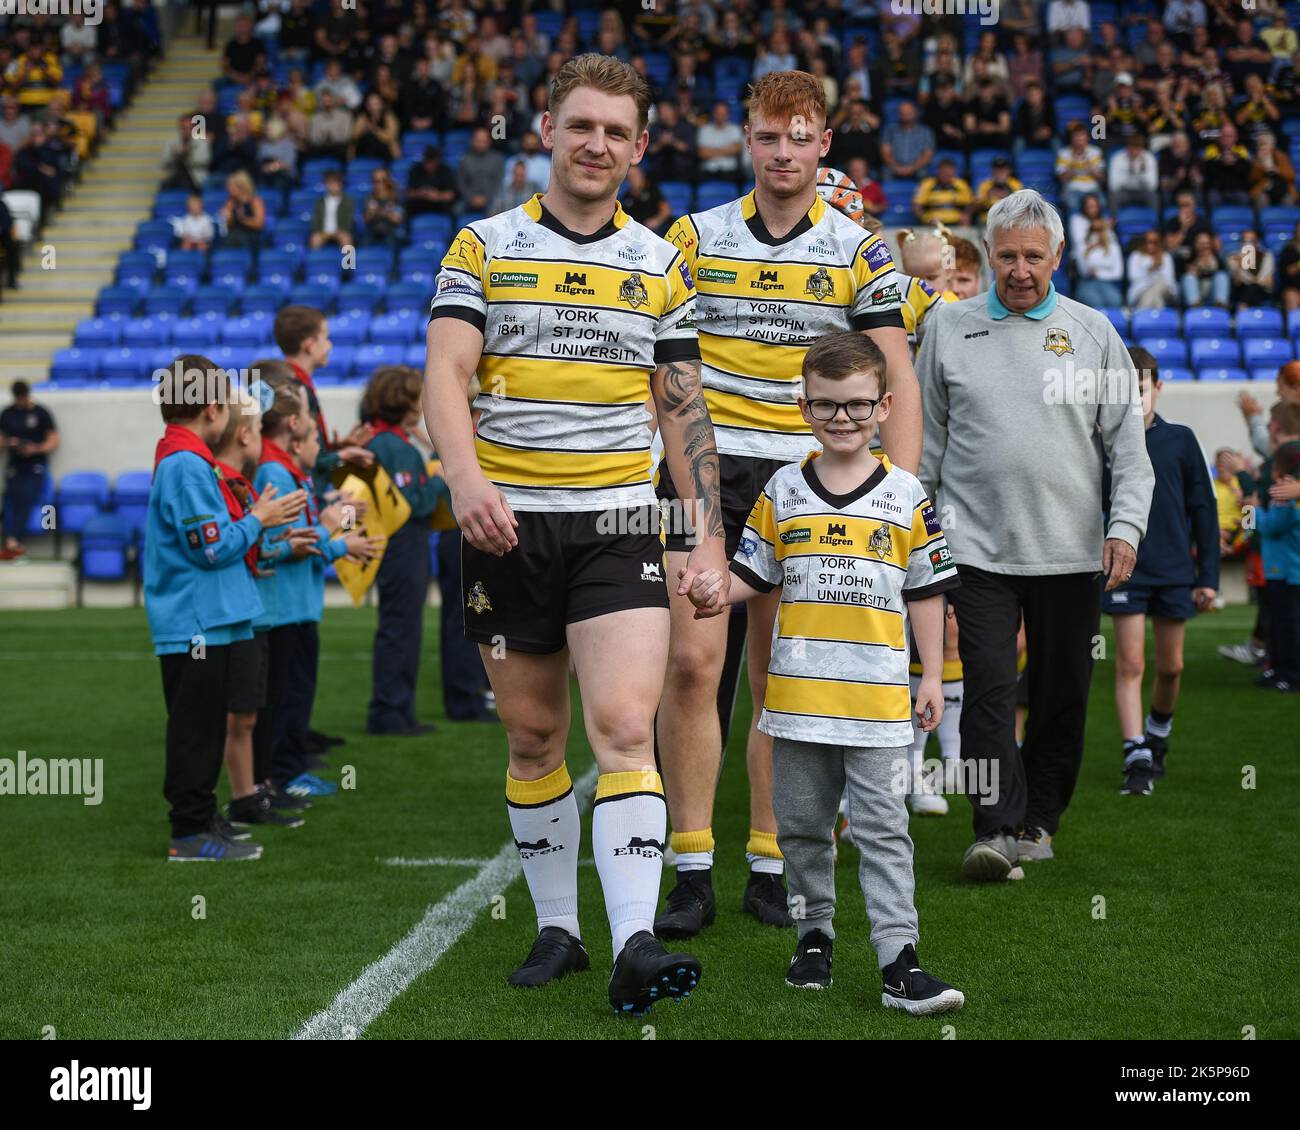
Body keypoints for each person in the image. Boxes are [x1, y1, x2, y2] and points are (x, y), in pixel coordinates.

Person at [424, 54, 720, 1014]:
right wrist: (465, 479)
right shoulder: (484, 244)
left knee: (626, 726)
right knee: (533, 733)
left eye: (617, 132)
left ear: (639, 147)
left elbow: (682, 410)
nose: (597, 144)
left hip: (618, 522)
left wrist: (705, 534)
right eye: (581, 125)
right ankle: (562, 928)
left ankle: (635, 936)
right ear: (545, 130)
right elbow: (445, 373)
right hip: (506, 524)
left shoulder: (659, 262)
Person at [652, 70, 921, 939]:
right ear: (747, 140)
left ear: (823, 145)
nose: (782, 153)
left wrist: (898, 501)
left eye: (799, 137)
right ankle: (690, 864)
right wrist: (688, 487)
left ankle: (770, 860)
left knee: (780, 679)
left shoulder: (859, 248)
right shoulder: (693, 236)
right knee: (694, 667)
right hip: (702, 471)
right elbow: (668, 375)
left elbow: (897, 378)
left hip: (811, 479)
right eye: (767, 138)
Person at [685, 331, 964, 1014]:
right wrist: (717, 589)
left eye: (859, 406)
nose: (843, 419)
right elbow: (755, 572)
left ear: (885, 406)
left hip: (876, 706)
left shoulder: (905, 493)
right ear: (803, 406)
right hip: (797, 700)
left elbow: (926, 588)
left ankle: (900, 961)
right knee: (803, 829)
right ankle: (814, 937)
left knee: (883, 832)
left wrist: (930, 676)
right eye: (828, 406)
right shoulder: (783, 489)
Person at [916, 189, 1155, 880]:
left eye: (1033, 257)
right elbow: (929, 444)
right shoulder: (950, 327)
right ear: (988, 254)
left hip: (1071, 551)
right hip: (975, 550)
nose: (1019, 270)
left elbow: (1128, 451)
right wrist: (922, 530)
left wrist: (1125, 528)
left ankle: (1039, 819)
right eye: (1007, 256)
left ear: (1058, 256)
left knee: (1061, 693)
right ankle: (993, 830)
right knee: (989, 686)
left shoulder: (1094, 331)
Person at [145, 355, 305, 860]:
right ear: (213, 410)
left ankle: (203, 816)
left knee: (209, 726)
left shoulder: (190, 460)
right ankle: (188, 832)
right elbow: (209, 548)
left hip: (212, 620)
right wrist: (259, 518)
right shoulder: (187, 465)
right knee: (195, 730)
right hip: (197, 622)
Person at [1103, 348, 1219, 795]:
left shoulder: (1182, 440)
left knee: (1171, 668)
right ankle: (1135, 755)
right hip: (1123, 571)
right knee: (1131, 662)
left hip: (1174, 570)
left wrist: (1207, 576)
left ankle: (1157, 736)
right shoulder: (1102, 440)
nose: (1134, 399)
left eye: (1141, 389)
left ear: (1158, 388)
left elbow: (1204, 511)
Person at [254, 386, 380, 798]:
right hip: (284, 607)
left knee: (295, 694)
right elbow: (294, 544)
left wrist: (343, 519)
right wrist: (344, 541)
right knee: (285, 699)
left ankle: (287, 771)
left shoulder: (290, 472)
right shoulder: (275, 472)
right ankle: (282, 775)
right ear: (294, 429)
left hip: (298, 605)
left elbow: (312, 533)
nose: (318, 438)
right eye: (311, 430)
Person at [208, 382, 313, 832]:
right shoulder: (226, 479)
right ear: (247, 435)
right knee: (244, 713)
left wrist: (274, 543)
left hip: (257, 608)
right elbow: (219, 546)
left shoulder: (241, 481)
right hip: (249, 612)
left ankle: (254, 792)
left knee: (253, 712)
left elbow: (257, 546)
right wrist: (271, 532)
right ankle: (225, 803)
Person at [362, 366, 445, 735]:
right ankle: (390, 711)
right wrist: (437, 479)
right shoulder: (393, 446)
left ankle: (397, 708)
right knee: (401, 628)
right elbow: (412, 504)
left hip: (398, 544)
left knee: (401, 627)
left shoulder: (386, 441)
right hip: (401, 545)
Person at [1253, 405, 1300, 692]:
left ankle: (1290, 673)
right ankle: (1278, 667)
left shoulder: (1286, 495)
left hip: (1287, 573)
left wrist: (1254, 511)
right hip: (1279, 571)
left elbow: (1269, 526)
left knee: (1288, 627)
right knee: (1278, 625)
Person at [0, 381, 57, 558]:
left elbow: (53, 440)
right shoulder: (7, 414)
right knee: (11, 499)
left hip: (36, 466)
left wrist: (35, 449)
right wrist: (11, 443)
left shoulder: (41, 413)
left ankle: (14, 541)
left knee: (26, 497)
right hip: (15, 466)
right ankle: (12, 541)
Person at [1074, 214, 1125, 307]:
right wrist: (1089, 251)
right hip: (1087, 282)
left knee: (1115, 301)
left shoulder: (1114, 247)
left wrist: (1099, 274)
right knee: (1094, 301)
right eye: (1092, 230)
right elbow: (1083, 270)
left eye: (1099, 230)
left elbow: (1118, 273)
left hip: (1108, 283)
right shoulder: (1082, 246)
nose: (1095, 234)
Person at [912, 157, 972, 227]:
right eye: (944, 172)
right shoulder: (927, 184)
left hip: (956, 222)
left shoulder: (961, 184)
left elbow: (970, 205)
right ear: (938, 171)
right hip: (934, 222)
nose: (946, 175)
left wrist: (966, 215)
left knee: (966, 223)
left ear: (954, 172)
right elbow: (917, 206)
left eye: (949, 173)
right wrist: (925, 219)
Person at [405, 145, 458, 217]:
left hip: (440, 205)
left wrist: (437, 195)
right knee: (407, 208)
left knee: (454, 209)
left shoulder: (446, 171)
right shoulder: (415, 170)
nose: (430, 165)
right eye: (427, 162)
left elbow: (451, 195)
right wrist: (420, 193)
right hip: (419, 203)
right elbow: (408, 194)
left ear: (438, 161)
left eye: (432, 162)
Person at [309, 168, 355, 250]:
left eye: (335, 182)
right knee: (315, 239)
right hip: (323, 233)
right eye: (329, 183)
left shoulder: (348, 201)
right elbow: (315, 221)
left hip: (340, 232)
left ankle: (350, 263)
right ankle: (316, 262)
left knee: (346, 239)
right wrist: (322, 232)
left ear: (340, 184)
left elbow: (349, 221)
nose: (332, 186)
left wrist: (338, 232)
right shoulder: (320, 202)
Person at [1181, 230, 1230, 307]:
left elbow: (1224, 273)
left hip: (1212, 291)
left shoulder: (1218, 258)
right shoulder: (1188, 258)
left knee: (1221, 276)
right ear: (1195, 244)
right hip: (1196, 290)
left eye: (1206, 243)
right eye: (1201, 243)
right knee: (1189, 278)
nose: (1204, 246)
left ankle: (1221, 306)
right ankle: (1194, 307)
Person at [219, 171, 266, 250]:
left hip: (251, 236)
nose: (228, 189)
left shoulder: (255, 201)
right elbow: (226, 225)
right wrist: (228, 216)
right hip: (234, 235)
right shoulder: (230, 202)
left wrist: (243, 219)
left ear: (241, 187)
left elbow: (259, 224)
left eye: (231, 187)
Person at [1229, 230, 1276, 309]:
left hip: (1261, 290)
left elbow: (1269, 283)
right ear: (1241, 243)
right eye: (1245, 241)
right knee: (1250, 288)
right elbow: (1236, 281)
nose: (1248, 244)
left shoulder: (1267, 256)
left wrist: (1253, 281)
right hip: (1241, 289)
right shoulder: (1234, 257)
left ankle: (1242, 312)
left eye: (1251, 241)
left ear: (1257, 242)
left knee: (1253, 288)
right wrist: (1240, 265)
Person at [362, 168, 405, 246]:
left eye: (383, 180)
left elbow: (398, 219)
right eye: (376, 181)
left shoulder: (395, 198)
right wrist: (373, 213)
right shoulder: (369, 198)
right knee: (363, 244)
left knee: (394, 243)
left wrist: (385, 213)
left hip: (391, 230)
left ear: (388, 181)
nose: (380, 184)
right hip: (373, 230)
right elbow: (366, 219)